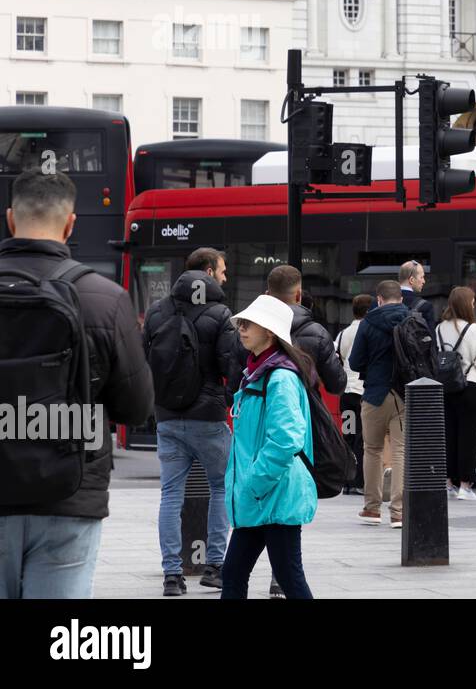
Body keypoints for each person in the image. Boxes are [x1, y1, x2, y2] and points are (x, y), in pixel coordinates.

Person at [0, 170, 154, 598]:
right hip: (70, 491)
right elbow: (137, 408)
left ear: (11, 219)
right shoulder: (104, 297)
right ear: (70, 225)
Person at [142, 246, 241, 596]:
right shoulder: (220, 313)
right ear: (209, 272)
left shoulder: (156, 312)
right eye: (223, 270)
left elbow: (144, 361)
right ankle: (215, 566)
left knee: (170, 495)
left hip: (168, 417)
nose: (225, 276)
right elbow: (233, 366)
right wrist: (227, 399)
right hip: (209, 417)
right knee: (221, 488)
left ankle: (172, 575)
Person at [221, 294, 318, 599]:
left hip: (275, 495)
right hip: (262, 497)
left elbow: (287, 439)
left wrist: (254, 482)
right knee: (234, 573)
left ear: (270, 331)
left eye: (249, 323)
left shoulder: (279, 378)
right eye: (241, 322)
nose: (241, 327)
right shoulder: (257, 372)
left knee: (289, 577)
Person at [347, 280, 409, 528]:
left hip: (374, 393)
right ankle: (399, 512)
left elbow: (354, 362)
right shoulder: (412, 320)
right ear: (401, 299)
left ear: (379, 299)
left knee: (371, 450)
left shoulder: (367, 323)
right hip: (405, 395)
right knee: (400, 450)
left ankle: (372, 509)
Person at [436, 287, 476, 501]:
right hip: (470, 385)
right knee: (468, 437)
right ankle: (465, 485)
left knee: (449, 436)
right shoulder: (474, 329)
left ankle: (448, 482)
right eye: (472, 301)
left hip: (446, 387)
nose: (473, 305)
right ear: (465, 304)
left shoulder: (440, 328)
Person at [266, 265, 346, 396]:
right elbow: (337, 385)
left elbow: (233, 387)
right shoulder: (318, 334)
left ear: (267, 295)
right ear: (298, 295)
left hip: (258, 412)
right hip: (304, 411)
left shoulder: (247, 329)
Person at [335, 294, 372, 496]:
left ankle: (345, 480)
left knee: (348, 435)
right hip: (363, 393)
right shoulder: (369, 331)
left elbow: (337, 359)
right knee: (362, 438)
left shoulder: (343, 334)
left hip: (346, 394)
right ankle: (358, 480)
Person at [398, 260, 437, 327]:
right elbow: (431, 336)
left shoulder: (381, 303)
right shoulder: (425, 307)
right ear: (412, 280)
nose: (424, 281)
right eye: (421, 277)